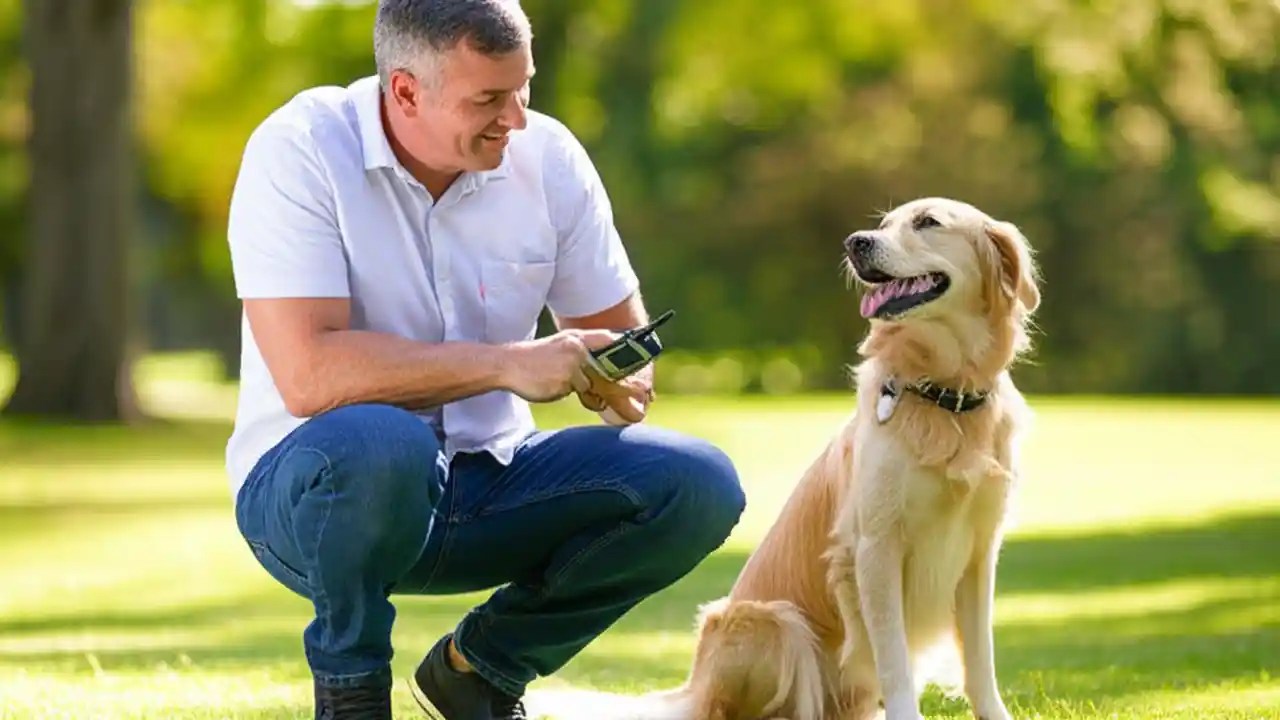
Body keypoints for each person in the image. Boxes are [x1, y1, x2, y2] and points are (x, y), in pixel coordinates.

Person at [223, 1, 746, 718]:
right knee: (384, 441)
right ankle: (352, 697)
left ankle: (481, 669)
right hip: (315, 498)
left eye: (523, 88)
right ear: (405, 91)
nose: (517, 118)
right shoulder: (301, 148)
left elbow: (615, 334)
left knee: (696, 483)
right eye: (489, 99)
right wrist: (508, 363)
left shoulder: (548, 157)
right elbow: (310, 375)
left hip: (490, 482)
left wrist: (612, 375)